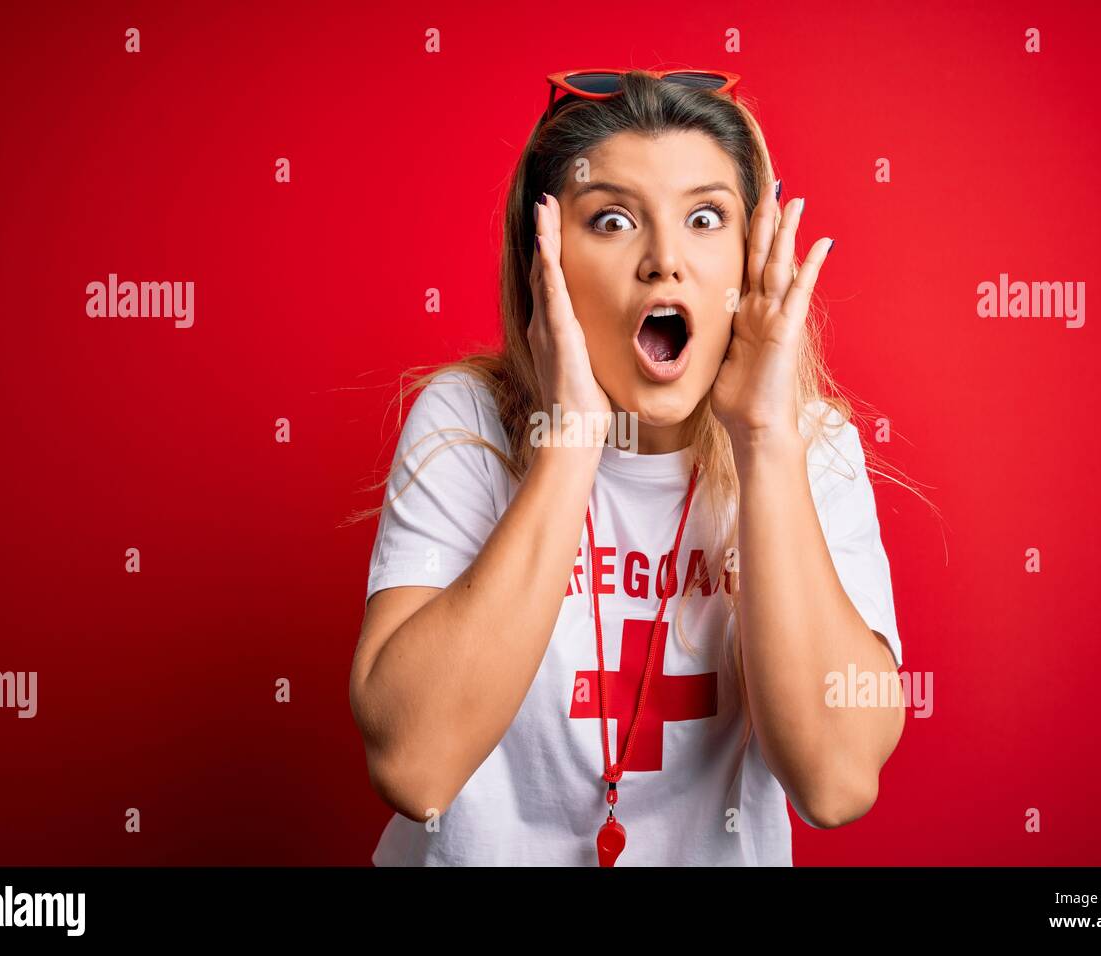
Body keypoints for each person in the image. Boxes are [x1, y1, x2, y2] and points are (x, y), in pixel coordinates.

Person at [347, 68, 907, 866]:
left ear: (751, 260)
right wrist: (572, 438)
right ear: (547, 264)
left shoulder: (807, 447)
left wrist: (765, 443)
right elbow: (415, 766)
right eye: (611, 220)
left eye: (706, 218)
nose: (665, 262)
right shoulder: (464, 422)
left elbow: (837, 782)